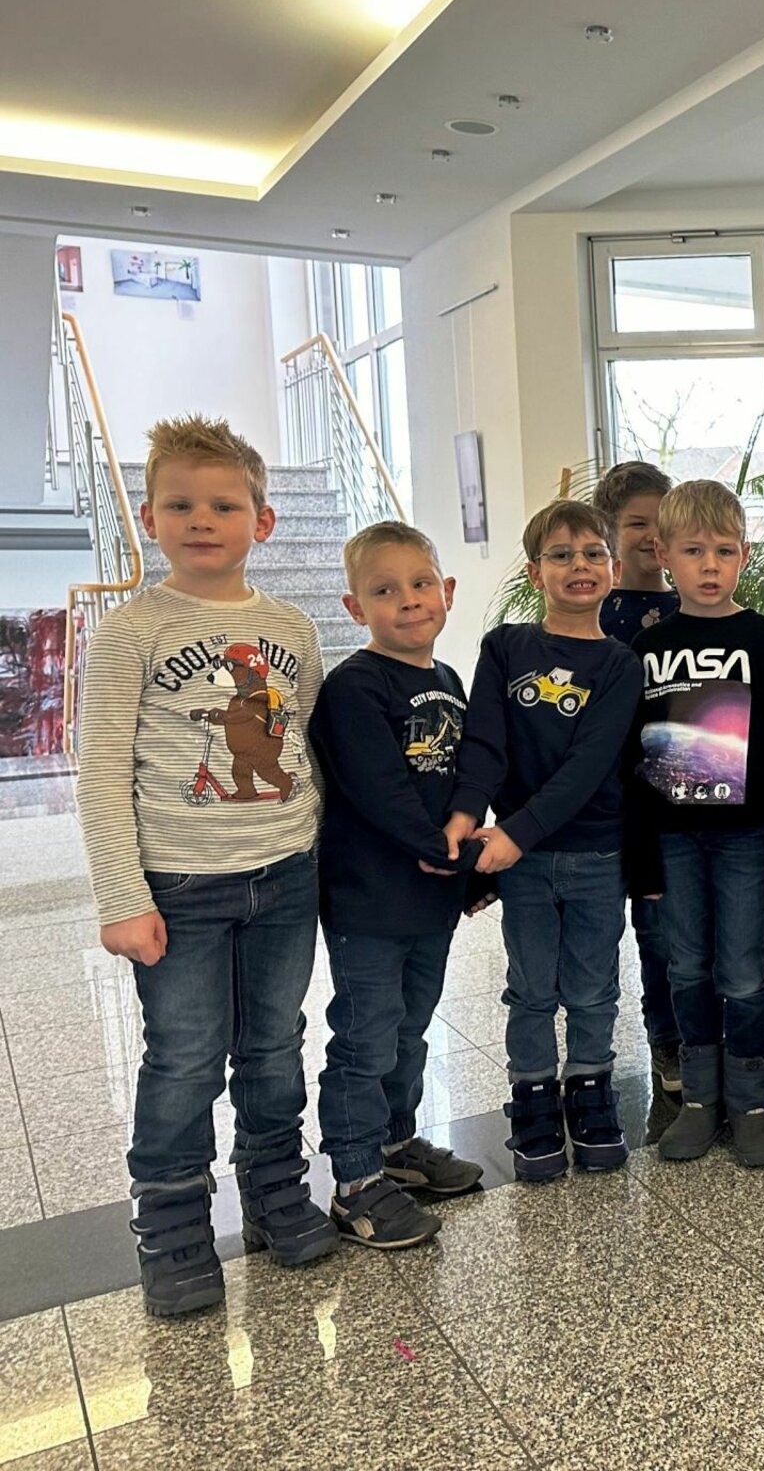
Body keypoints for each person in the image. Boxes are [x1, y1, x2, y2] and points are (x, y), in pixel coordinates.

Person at [80, 416, 336, 1315]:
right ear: (150, 517)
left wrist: (323, 854)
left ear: (261, 522)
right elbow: (101, 768)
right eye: (181, 504)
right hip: (179, 889)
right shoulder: (130, 632)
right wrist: (121, 896)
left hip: (285, 873)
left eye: (224, 504)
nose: (202, 519)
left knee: (273, 1046)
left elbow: (303, 740)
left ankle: (273, 1188)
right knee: (186, 1055)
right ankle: (175, 1221)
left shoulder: (290, 627)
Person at [446, 500, 641, 1182]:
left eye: (592, 553)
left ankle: (590, 1090)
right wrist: (471, 816)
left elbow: (590, 764)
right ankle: (532, 1098)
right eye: (561, 555)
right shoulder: (506, 649)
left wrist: (519, 833)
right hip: (520, 861)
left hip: (592, 854)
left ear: (613, 569)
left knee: (592, 990)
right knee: (531, 989)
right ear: (536, 571)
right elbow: (485, 745)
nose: (578, 566)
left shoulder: (621, 665)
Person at [310, 522, 486, 1249]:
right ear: (357, 608)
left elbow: (463, 777)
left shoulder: (445, 680)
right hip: (369, 899)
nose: (407, 602)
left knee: (411, 1030)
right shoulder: (354, 687)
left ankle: (394, 1147)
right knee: (366, 1038)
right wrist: (444, 852)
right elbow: (379, 790)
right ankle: (354, 1182)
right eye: (385, 591)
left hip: (429, 899)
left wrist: (465, 871)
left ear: (445, 594)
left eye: (420, 585)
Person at [626, 481, 764, 1169]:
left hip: (747, 838)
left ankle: (753, 1103)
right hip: (671, 839)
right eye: (693, 550)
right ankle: (700, 1100)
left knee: (743, 972)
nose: (709, 564)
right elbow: (632, 753)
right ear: (664, 554)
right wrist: (639, 858)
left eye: (722, 551)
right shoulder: (651, 647)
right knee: (688, 968)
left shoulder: (763, 640)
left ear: (744, 555)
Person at [593, 461, 683, 1097]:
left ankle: (675, 1043)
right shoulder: (596, 611)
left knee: (665, 933)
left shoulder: (693, 604)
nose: (652, 536)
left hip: (671, 796)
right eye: (635, 525)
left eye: (662, 523)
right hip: (606, 796)